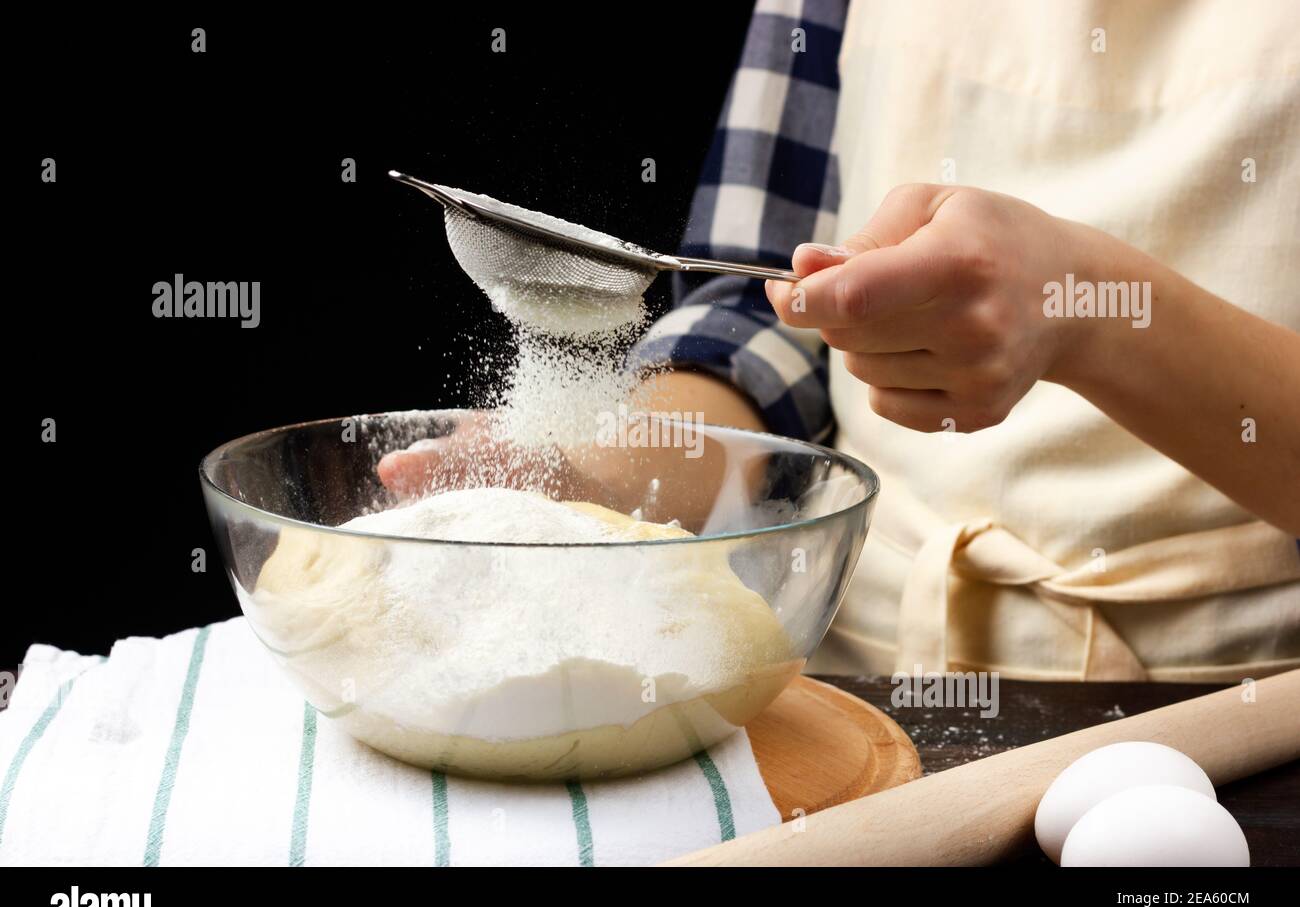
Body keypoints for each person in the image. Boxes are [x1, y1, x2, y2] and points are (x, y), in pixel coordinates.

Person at [386, 0, 1300, 681]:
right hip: (860, 663)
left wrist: (1090, 311)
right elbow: (751, 325)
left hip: (1234, 704)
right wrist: (591, 480)